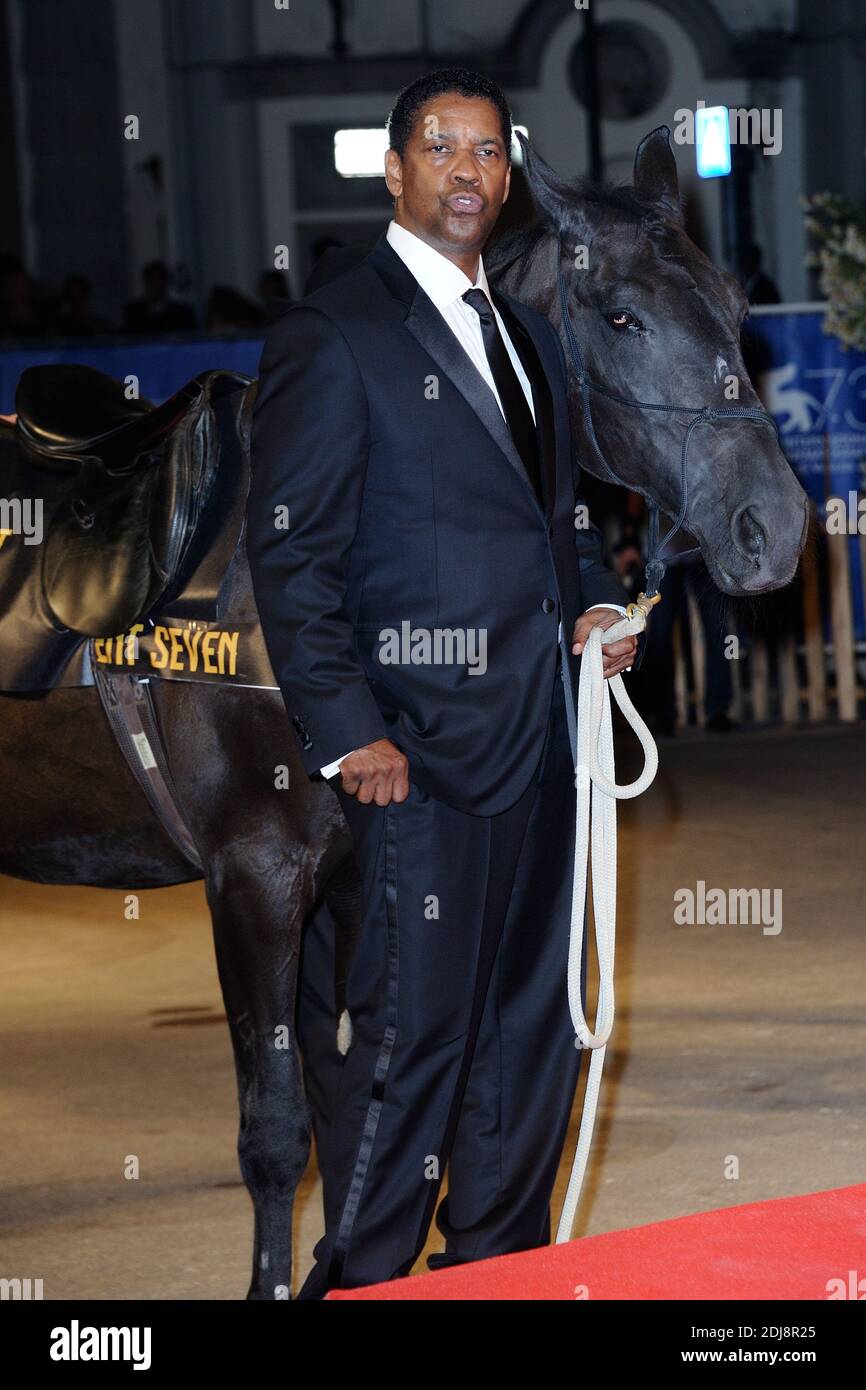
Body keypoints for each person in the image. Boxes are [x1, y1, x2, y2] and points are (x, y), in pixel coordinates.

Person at [246, 67, 636, 1299]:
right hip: (414, 756)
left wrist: (591, 607)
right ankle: (356, 1282)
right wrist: (348, 731)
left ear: (505, 177)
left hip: (541, 751)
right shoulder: (336, 331)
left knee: (531, 1037)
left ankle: (494, 1272)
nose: (467, 171)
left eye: (486, 152)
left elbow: (555, 525)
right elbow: (292, 552)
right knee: (412, 1045)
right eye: (440, 147)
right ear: (394, 171)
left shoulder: (525, 337)